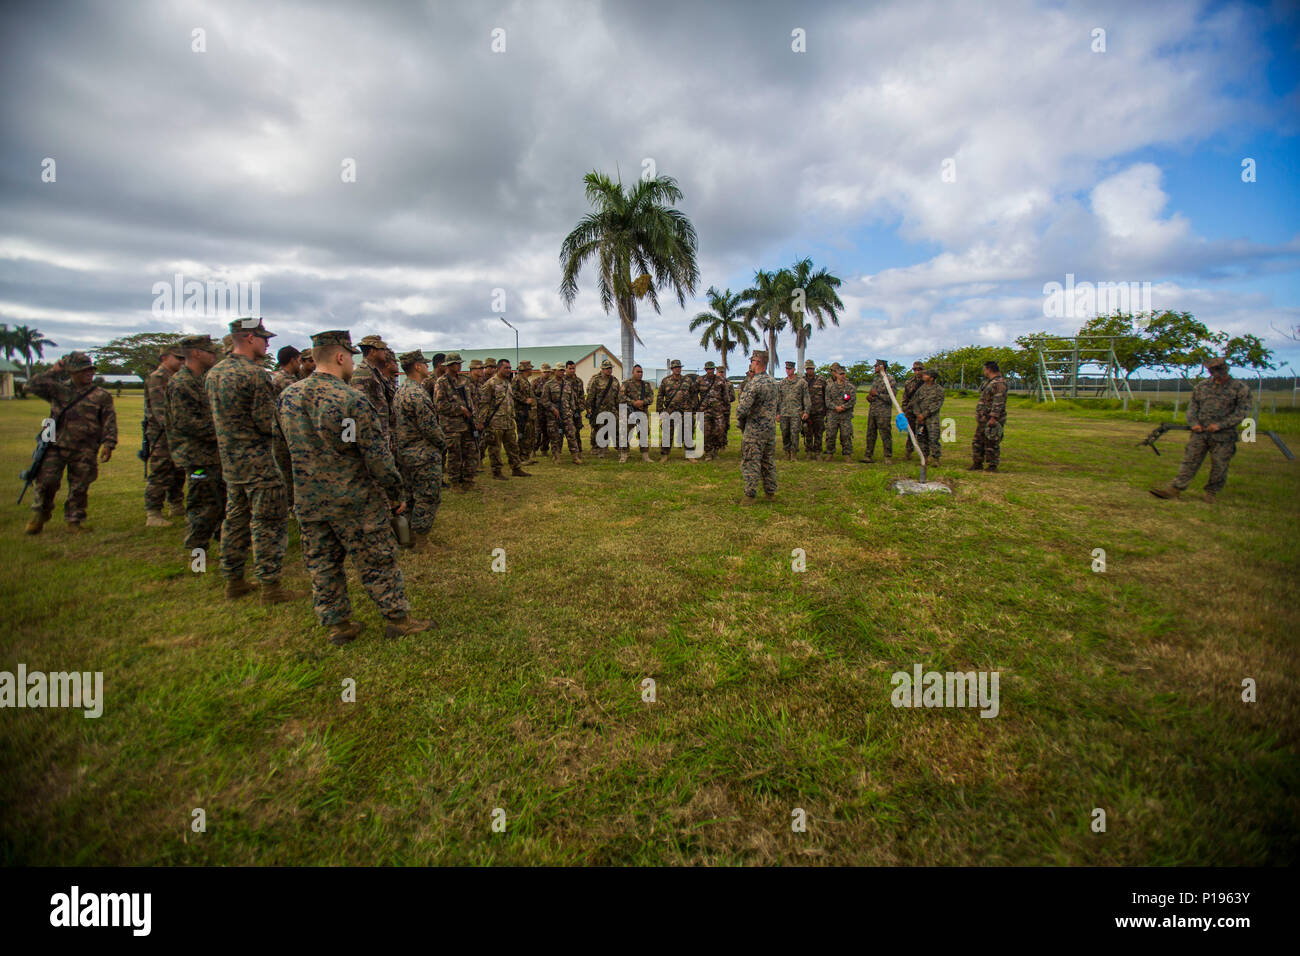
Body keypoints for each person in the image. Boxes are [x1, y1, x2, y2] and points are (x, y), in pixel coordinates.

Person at [274, 331, 430, 645]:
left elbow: (281, 450)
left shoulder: (288, 397)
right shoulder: (350, 398)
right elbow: (376, 455)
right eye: (351, 356)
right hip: (354, 500)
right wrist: (394, 492)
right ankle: (398, 619)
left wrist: (295, 491)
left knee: (323, 564)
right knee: (377, 560)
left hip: (309, 501)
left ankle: (338, 625)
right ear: (341, 356)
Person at [206, 318, 306, 604]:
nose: (267, 344)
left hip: (231, 462)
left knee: (235, 519)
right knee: (268, 523)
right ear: (249, 338)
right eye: (264, 338)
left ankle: (234, 580)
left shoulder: (215, 373)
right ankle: (270, 587)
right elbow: (266, 423)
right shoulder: (255, 375)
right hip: (259, 462)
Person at [24, 351, 117, 534]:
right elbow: (30, 385)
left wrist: (109, 443)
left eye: (90, 370)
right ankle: (39, 515)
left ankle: (74, 521)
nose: (88, 373)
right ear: (71, 372)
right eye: (83, 370)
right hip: (56, 445)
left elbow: (109, 420)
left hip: (85, 448)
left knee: (80, 486)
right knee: (46, 482)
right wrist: (54, 370)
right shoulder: (58, 390)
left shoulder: (101, 395)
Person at [1150, 356, 1252, 503]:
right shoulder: (1202, 387)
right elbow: (1193, 407)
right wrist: (1193, 423)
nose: (1216, 374)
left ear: (1225, 369)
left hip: (1224, 436)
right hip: (1200, 434)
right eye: (1213, 371)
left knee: (1220, 465)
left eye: (1218, 370)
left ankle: (1211, 493)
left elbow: (1242, 412)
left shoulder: (1240, 389)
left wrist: (1220, 425)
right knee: (1190, 461)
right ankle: (1175, 490)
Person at [165, 335, 226, 555]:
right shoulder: (181, 382)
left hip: (211, 456)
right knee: (201, 503)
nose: (214, 355)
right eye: (210, 351)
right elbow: (185, 423)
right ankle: (196, 550)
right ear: (197, 353)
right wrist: (222, 429)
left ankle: (224, 545)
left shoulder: (201, 379)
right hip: (197, 459)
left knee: (220, 501)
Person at [392, 350, 448, 550]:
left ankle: (408, 538)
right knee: (427, 496)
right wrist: (442, 443)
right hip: (423, 454)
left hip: (406, 453)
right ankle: (422, 541)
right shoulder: (417, 393)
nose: (426, 367)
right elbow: (429, 427)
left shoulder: (402, 390)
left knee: (410, 496)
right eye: (423, 364)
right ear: (416, 367)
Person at [143, 344, 187, 527]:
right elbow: (160, 411)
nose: (181, 361)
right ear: (164, 358)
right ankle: (153, 512)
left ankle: (176, 504)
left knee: (178, 471)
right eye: (178, 358)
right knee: (161, 471)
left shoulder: (176, 377)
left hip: (177, 432)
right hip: (162, 434)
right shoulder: (157, 378)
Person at [434, 353, 480, 489]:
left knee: (470, 452)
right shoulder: (441, 382)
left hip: (468, 424)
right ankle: (454, 482)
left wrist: (474, 418)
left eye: (459, 363)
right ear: (449, 365)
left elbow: (472, 400)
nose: (459, 366)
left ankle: (468, 480)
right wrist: (460, 409)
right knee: (455, 455)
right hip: (451, 426)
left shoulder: (465, 380)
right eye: (456, 363)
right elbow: (439, 405)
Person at [736, 349, 778, 501]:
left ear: (758, 362)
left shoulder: (755, 383)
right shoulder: (773, 382)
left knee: (751, 461)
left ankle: (750, 495)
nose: (750, 364)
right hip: (770, 430)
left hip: (754, 431)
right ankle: (770, 493)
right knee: (768, 462)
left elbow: (743, 408)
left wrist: (740, 420)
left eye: (752, 361)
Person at [480, 359, 530, 479]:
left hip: (508, 421)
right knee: (495, 448)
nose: (508, 370)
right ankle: (496, 472)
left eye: (509, 368)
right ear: (498, 368)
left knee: (513, 446)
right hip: (495, 422)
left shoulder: (508, 383)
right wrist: (482, 421)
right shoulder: (490, 384)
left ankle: (516, 468)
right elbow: (483, 404)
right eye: (505, 368)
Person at [351, 335, 393, 437]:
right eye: (382, 349)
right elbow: (360, 408)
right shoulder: (362, 372)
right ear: (373, 351)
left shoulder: (375, 372)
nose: (385, 352)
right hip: (371, 434)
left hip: (381, 431)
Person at [970, 360, 1008, 472]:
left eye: (984, 369)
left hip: (991, 418)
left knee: (991, 442)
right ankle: (977, 463)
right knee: (978, 441)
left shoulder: (999, 383)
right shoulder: (989, 382)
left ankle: (992, 465)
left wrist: (993, 417)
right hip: (983, 418)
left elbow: (998, 401)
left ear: (989, 369)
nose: (984, 371)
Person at [540, 362, 582, 463]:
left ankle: (575, 457)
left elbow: (571, 399)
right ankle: (556, 456)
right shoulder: (548, 385)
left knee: (571, 435)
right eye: (560, 370)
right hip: (554, 416)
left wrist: (572, 410)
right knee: (555, 437)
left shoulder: (567, 384)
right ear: (555, 371)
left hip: (567, 415)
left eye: (563, 370)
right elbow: (544, 400)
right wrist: (553, 409)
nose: (562, 372)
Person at [656, 359, 694, 461]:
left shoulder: (688, 380)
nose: (677, 369)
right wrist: (660, 411)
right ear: (672, 369)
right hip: (670, 411)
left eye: (679, 367)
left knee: (688, 432)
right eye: (675, 367)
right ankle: (664, 455)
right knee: (667, 433)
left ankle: (690, 455)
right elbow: (660, 396)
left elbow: (693, 395)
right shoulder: (665, 381)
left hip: (685, 411)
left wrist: (693, 410)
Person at [861, 358, 896, 464]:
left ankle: (887, 456)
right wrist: (869, 397)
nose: (874, 368)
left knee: (885, 434)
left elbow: (891, 398)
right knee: (870, 434)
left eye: (876, 366)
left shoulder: (890, 379)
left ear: (882, 367)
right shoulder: (876, 379)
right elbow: (873, 393)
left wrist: (878, 395)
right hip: (873, 411)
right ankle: (868, 455)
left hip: (883, 412)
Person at [586, 358, 621, 458]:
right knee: (599, 430)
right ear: (602, 369)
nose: (608, 370)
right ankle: (599, 449)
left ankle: (621, 449)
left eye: (610, 368)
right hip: (600, 409)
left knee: (616, 428)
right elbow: (591, 395)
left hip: (613, 409)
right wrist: (588, 408)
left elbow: (618, 397)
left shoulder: (614, 381)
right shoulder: (596, 380)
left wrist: (619, 409)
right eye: (606, 368)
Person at [619, 364, 655, 462]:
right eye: (638, 372)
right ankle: (624, 454)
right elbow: (621, 397)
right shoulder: (626, 384)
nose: (640, 374)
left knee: (643, 434)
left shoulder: (646, 385)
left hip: (642, 413)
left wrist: (643, 402)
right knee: (625, 433)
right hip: (628, 413)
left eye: (641, 372)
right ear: (633, 372)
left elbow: (651, 398)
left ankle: (645, 455)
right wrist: (633, 403)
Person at [696, 362, 729, 461]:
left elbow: (725, 396)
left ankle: (716, 450)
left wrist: (726, 410)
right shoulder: (699, 380)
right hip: (704, 410)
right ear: (705, 369)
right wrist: (697, 406)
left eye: (712, 369)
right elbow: (694, 394)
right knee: (706, 432)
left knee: (719, 430)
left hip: (718, 411)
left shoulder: (720, 380)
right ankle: (708, 453)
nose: (710, 371)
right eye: (708, 369)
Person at [777, 360, 810, 461]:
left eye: (790, 369)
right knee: (785, 433)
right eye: (786, 369)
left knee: (795, 433)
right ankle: (787, 452)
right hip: (784, 413)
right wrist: (777, 413)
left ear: (794, 369)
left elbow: (806, 398)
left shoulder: (801, 382)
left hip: (796, 412)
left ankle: (794, 454)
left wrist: (806, 411)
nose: (788, 371)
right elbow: (778, 399)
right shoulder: (782, 383)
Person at [823, 364, 856, 461]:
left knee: (846, 435)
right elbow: (827, 400)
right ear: (836, 374)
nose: (842, 376)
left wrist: (843, 407)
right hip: (832, 415)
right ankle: (830, 454)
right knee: (830, 435)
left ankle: (847, 455)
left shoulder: (850, 387)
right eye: (840, 374)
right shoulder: (830, 387)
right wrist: (835, 407)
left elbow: (852, 401)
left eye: (843, 374)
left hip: (845, 415)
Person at [913, 368, 945, 464]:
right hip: (920, 419)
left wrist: (924, 414)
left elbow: (937, 404)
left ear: (932, 378)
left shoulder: (939, 389)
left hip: (932, 419)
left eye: (926, 375)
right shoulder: (921, 388)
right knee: (921, 438)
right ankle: (924, 458)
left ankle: (936, 459)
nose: (923, 376)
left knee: (933, 438)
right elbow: (915, 402)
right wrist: (918, 414)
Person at [511, 359, 539, 463]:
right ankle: (521, 457)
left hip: (529, 412)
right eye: (530, 368)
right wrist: (524, 400)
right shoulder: (517, 379)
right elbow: (513, 392)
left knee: (529, 435)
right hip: (521, 412)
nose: (532, 370)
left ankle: (526, 456)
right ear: (526, 369)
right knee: (523, 435)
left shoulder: (525, 380)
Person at [802, 360, 827, 459]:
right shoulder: (802, 381)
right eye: (808, 369)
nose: (809, 370)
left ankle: (818, 452)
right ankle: (808, 451)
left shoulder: (821, 380)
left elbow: (826, 395)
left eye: (811, 368)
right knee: (807, 432)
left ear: (814, 369)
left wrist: (825, 410)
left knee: (818, 432)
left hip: (819, 411)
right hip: (807, 412)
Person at [899, 361, 925, 459]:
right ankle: (908, 452)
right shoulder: (909, 382)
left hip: (922, 412)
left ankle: (923, 454)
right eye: (915, 369)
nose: (917, 371)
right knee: (911, 432)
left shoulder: (926, 381)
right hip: (910, 411)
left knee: (922, 433)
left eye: (919, 369)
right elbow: (905, 397)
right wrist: (904, 410)